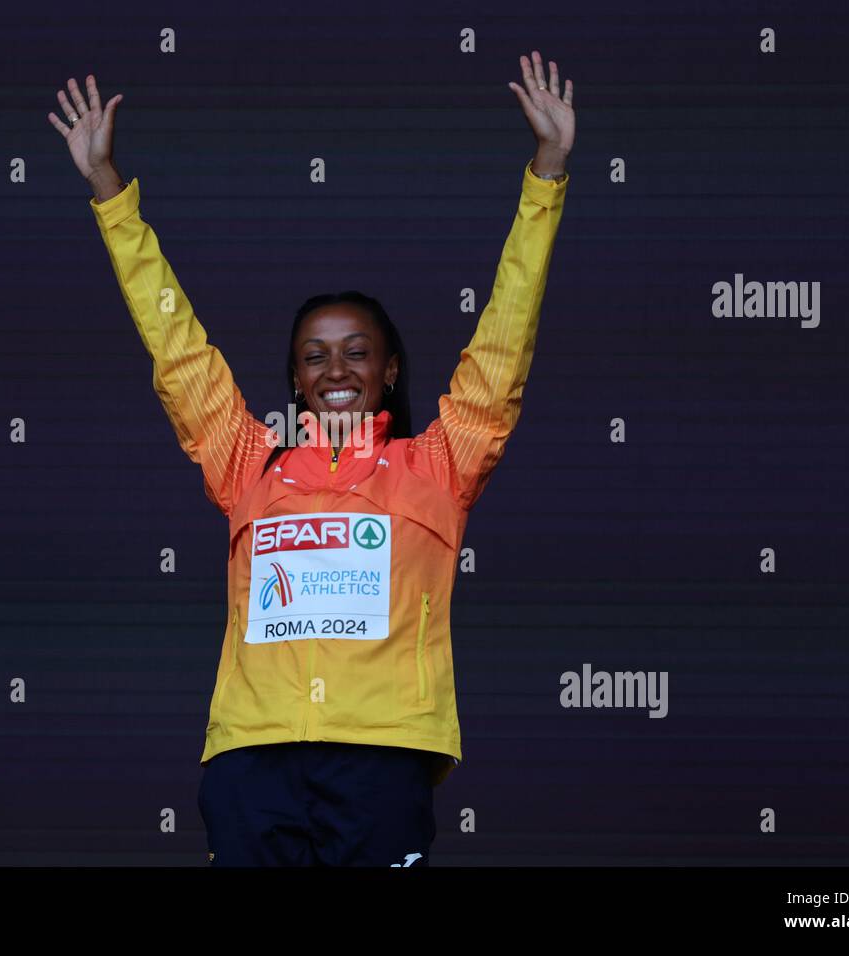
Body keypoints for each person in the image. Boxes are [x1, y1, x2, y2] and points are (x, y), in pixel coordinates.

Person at [49, 50, 575, 866]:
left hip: (382, 757)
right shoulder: (246, 465)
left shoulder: (438, 465)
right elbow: (179, 349)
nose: (336, 371)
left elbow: (502, 348)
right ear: (294, 378)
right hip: (252, 759)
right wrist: (110, 191)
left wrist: (547, 175)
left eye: (356, 353)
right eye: (315, 357)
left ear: (389, 369)